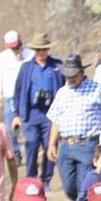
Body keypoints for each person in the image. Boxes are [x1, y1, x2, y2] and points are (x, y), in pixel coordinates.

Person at [46, 54, 101, 201]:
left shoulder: (97, 89)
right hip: (66, 145)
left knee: (85, 186)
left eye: (73, 75)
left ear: (81, 73)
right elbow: (55, 119)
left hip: (87, 144)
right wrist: (52, 143)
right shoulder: (62, 92)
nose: (70, 79)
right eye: (67, 76)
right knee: (68, 186)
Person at [11, 33, 63, 185]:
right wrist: (16, 114)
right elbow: (18, 92)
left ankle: (46, 179)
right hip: (31, 112)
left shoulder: (56, 66)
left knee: (50, 144)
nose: (42, 53)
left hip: (51, 113)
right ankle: (31, 178)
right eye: (38, 50)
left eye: (44, 49)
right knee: (32, 143)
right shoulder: (27, 67)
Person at [0, 31, 25, 164]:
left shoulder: (28, 54)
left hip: (24, 95)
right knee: (9, 128)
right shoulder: (2, 57)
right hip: (9, 95)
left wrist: (20, 58)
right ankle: (15, 154)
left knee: (26, 125)